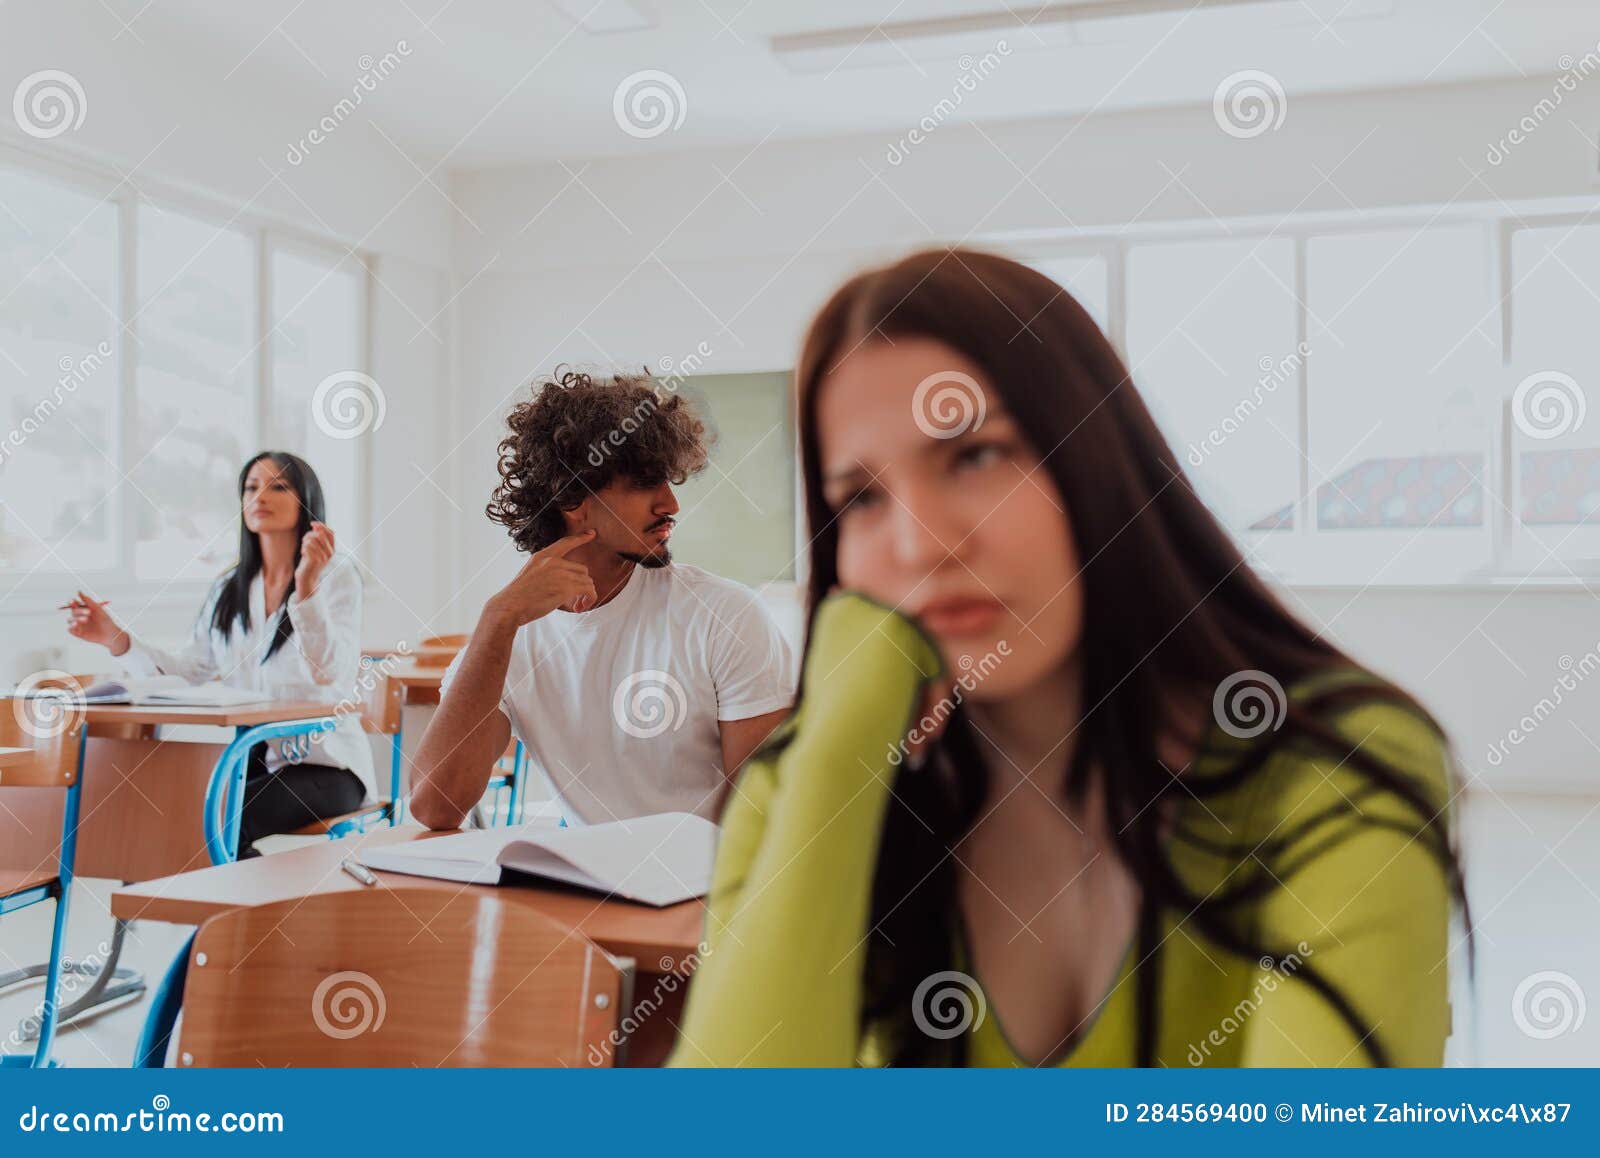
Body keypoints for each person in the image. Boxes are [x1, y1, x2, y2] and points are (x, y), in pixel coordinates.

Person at [670, 248, 1472, 1068]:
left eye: (975, 454)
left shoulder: (1335, 766)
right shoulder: (799, 786)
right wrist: (840, 758)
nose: (923, 542)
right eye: (863, 499)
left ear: (1097, 460)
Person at [410, 367, 795, 830]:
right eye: (644, 483)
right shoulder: (511, 634)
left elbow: (767, 819)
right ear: (574, 498)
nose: (670, 504)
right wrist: (498, 619)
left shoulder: (725, 615)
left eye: (668, 481)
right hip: (588, 888)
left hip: (704, 891)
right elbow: (435, 805)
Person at [65, 451, 374, 858]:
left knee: (222, 819)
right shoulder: (228, 588)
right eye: (250, 487)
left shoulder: (337, 577)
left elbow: (328, 672)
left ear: (306, 501)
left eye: (278, 486)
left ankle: (255, 920)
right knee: (184, 812)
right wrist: (116, 639)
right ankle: (247, 919)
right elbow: (192, 668)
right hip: (259, 760)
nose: (259, 495)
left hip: (329, 765)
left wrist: (307, 587)